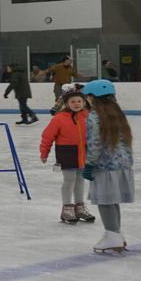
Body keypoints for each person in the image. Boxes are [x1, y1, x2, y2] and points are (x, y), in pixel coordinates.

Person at [78, 79, 133, 254]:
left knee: (104, 201)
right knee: (112, 200)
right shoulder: (118, 114)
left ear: (92, 97)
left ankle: (112, 236)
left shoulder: (94, 117)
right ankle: (116, 233)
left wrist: (89, 165)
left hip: (105, 165)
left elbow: (95, 144)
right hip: (122, 165)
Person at [39, 89, 93, 225]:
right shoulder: (59, 118)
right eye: (73, 101)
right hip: (66, 152)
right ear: (67, 103)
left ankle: (80, 207)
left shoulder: (88, 116)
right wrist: (44, 153)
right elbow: (47, 136)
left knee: (80, 180)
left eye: (79, 101)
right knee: (69, 180)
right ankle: (67, 208)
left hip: (84, 152)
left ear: (84, 102)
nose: (76, 104)